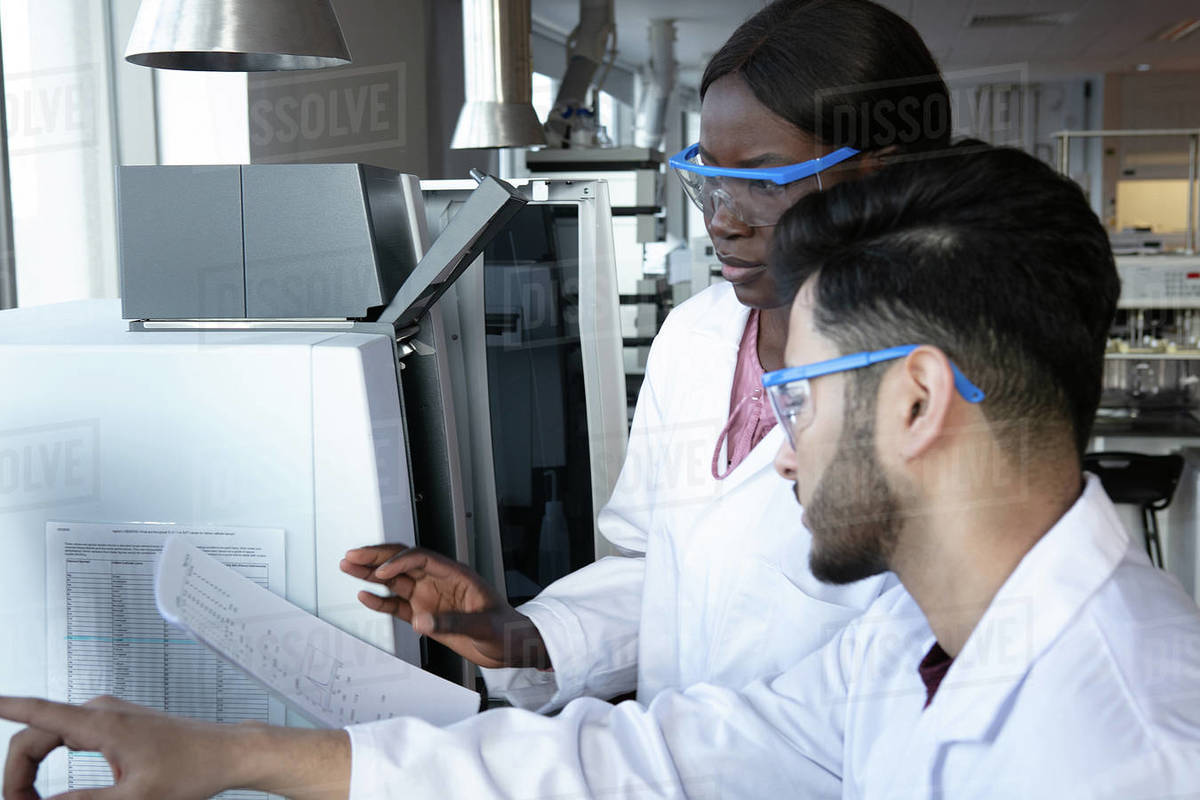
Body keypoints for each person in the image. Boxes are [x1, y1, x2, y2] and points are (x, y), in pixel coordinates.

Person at [9, 145, 1200, 800]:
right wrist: (238, 753)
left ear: (917, 398)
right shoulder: (910, 647)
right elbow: (640, 759)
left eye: (801, 396)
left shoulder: (1129, 747)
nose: (778, 444)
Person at [340, 0, 953, 711]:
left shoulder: (935, 377)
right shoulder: (697, 336)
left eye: (765, 180)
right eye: (710, 179)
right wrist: (521, 636)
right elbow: (659, 568)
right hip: (670, 761)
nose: (723, 218)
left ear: (882, 175)